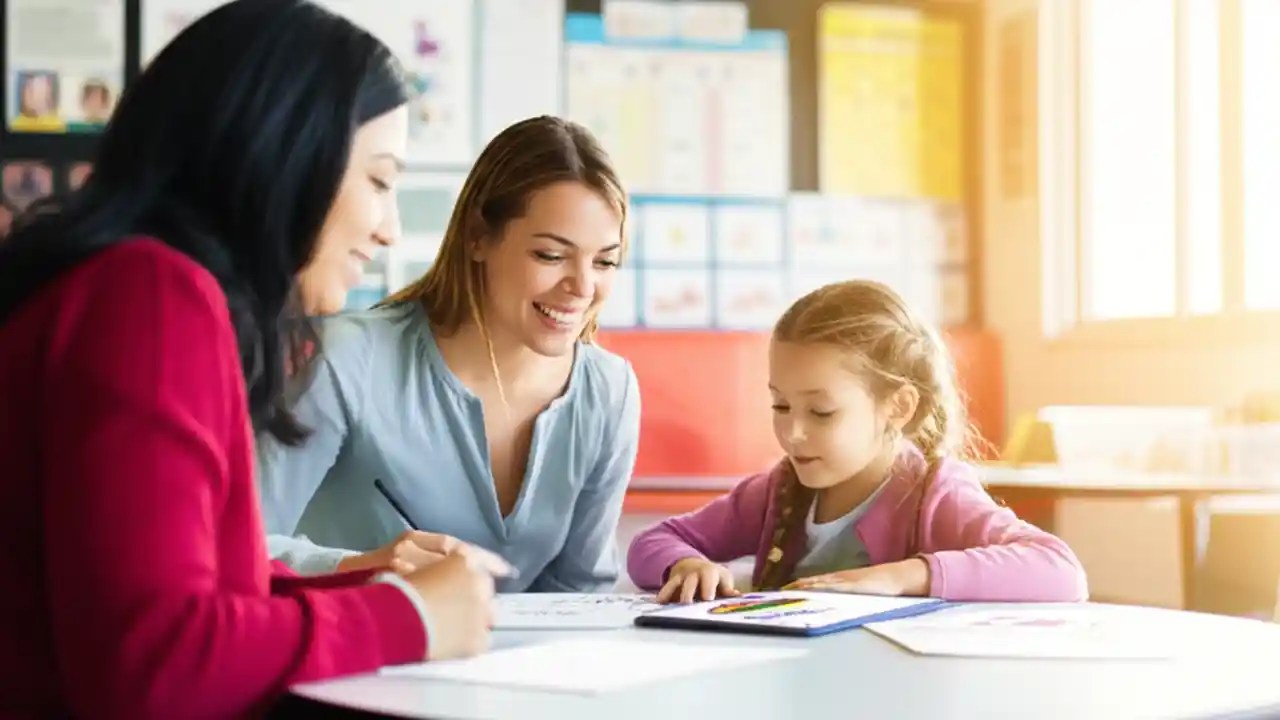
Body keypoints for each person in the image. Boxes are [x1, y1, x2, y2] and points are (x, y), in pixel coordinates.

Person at [0, 1, 500, 717]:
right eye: (381, 181)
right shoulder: (150, 296)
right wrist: (408, 618)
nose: (390, 230)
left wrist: (362, 581)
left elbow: (178, 590)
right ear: (286, 154)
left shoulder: (128, 285)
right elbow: (156, 662)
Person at [258, 115, 641, 592]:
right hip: (353, 650)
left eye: (605, 261)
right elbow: (241, 549)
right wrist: (358, 566)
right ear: (478, 236)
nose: (582, 287)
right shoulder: (344, 361)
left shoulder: (610, 391)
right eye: (550, 255)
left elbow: (581, 590)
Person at [627, 280, 1088, 604]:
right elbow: (654, 542)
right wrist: (684, 565)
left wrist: (901, 577)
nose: (794, 432)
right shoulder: (779, 492)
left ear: (898, 407)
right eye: (781, 406)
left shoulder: (934, 492)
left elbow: (1059, 570)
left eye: (822, 412)